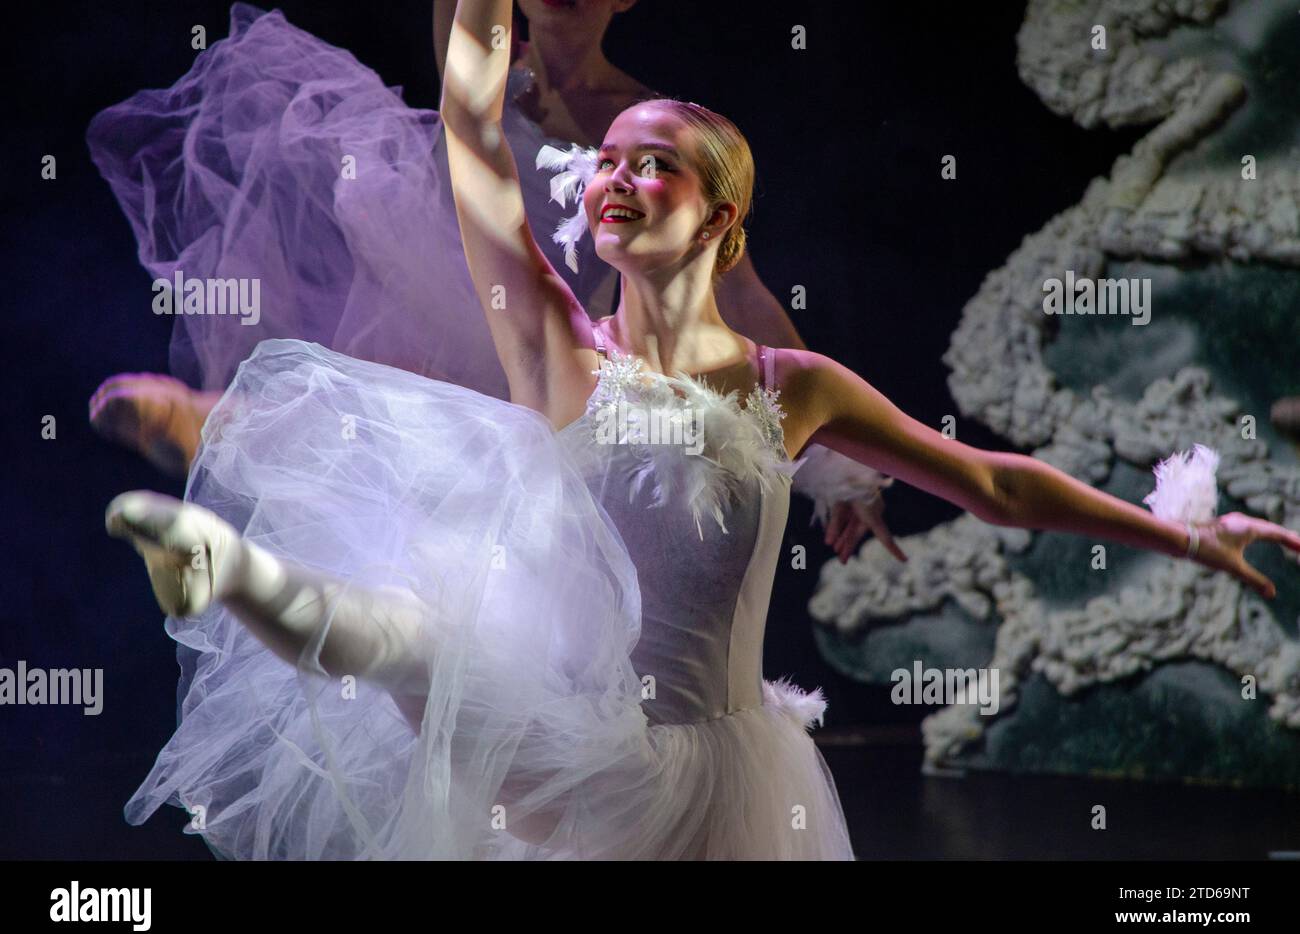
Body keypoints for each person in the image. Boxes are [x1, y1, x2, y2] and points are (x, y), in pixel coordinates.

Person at [105, 0, 1300, 860]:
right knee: (416, 646)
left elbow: (993, 483)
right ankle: (228, 569)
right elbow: (472, 138)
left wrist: (1189, 536)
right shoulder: (560, 349)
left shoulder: (796, 386)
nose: (616, 178)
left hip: (727, 773)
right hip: (572, 735)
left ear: (722, 216)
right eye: (609, 165)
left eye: (656, 163)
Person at [87, 0, 897, 563]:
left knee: (490, 489)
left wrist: (839, 468)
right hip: (443, 283)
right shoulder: (490, 65)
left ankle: (228, 434)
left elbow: (741, 288)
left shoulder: (649, 121)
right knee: (397, 411)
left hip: (560, 346)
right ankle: (221, 424)